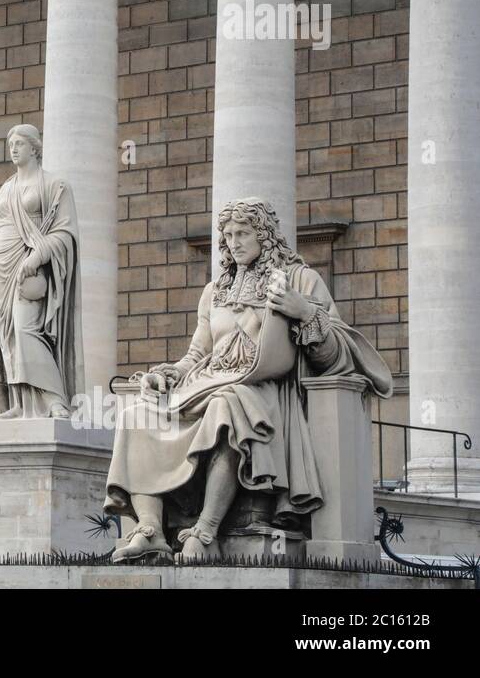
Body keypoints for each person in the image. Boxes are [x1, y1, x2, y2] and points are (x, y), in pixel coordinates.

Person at [104, 197, 392, 562]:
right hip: (206, 383)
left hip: (264, 388)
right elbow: (196, 354)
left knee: (228, 405)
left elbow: (336, 357)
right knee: (137, 414)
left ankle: (206, 530)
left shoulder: (300, 280)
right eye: (228, 235)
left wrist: (302, 311)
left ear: (265, 235)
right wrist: (168, 373)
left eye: (243, 233)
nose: (234, 242)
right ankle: (151, 530)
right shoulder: (216, 290)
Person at [0, 123, 84, 419]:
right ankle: (21, 404)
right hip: (1, 267)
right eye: (11, 143)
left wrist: (37, 256)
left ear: (35, 148)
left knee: (27, 329)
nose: (13, 148)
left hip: (30, 267)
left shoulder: (54, 185)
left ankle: (54, 399)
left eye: (20, 143)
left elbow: (65, 233)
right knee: (7, 336)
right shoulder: (6, 189)